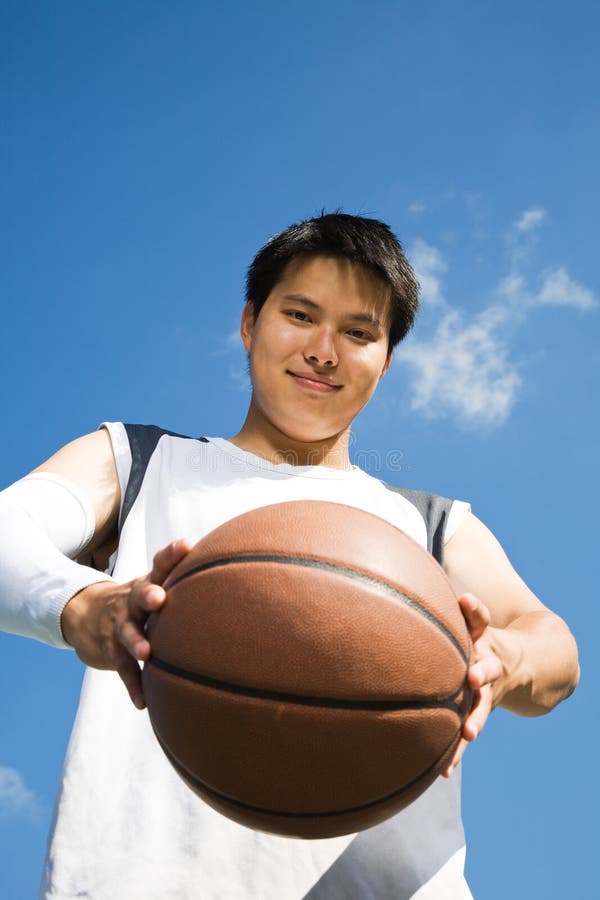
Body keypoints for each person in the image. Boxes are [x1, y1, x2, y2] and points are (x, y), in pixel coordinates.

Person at [0, 213, 579, 899]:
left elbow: (555, 650)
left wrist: (506, 662)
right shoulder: (141, 463)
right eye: (300, 315)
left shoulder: (428, 525)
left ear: (386, 359)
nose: (324, 350)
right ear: (250, 324)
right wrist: (85, 605)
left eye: (359, 332)